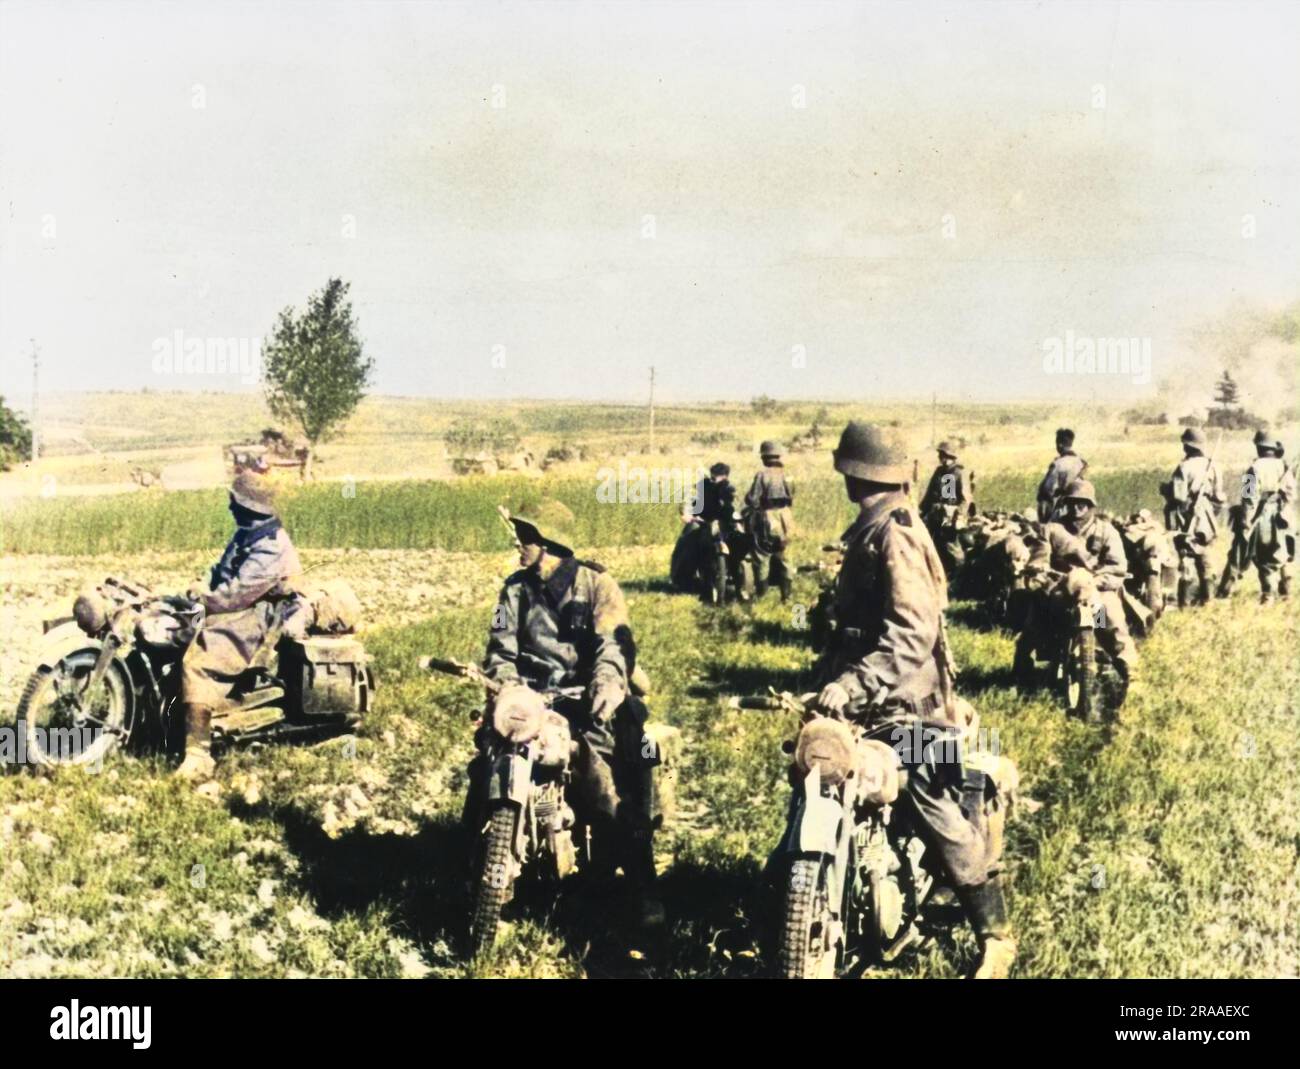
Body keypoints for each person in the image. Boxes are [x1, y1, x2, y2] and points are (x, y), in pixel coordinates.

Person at [812, 420, 1015, 979]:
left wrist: (854, 683)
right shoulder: (876, 525)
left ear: (856, 474)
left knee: (927, 794)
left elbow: (911, 632)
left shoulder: (895, 532)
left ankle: (993, 933)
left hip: (912, 710)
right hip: (876, 699)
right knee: (814, 772)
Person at [481, 502, 662, 923]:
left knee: (606, 788)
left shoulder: (598, 584)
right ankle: (479, 858)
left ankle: (642, 884)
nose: (519, 544)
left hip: (582, 702)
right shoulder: (512, 591)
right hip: (528, 701)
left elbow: (613, 645)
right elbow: (498, 647)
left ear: (550, 543)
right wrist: (506, 684)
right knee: (484, 761)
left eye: (527, 536)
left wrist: (607, 683)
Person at [177, 462, 303, 780]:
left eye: (235, 500)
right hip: (240, 607)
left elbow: (236, 595)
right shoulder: (248, 533)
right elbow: (220, 570)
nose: (230, 505)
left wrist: (203, 598)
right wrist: (201, 583)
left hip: (260, 618)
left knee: (198, 663)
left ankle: (198, 755)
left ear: (248, 506)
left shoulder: (271, 546)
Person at [1020, 479, 1138, 700]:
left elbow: (1118, 567)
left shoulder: (1106, 531)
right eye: (1072, 503)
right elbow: (1040, 557)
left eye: (1082, 504)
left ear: (1092, 506)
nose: (1076, 509)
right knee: (1035, 620)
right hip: (1060, 589)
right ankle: (1023, 668)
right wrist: (1040, 571)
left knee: (1110, 619)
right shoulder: (1053, 529)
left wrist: (1100, 579)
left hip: (1098, 593)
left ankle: (1129, 669)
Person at [1217, 430, 1296, 603]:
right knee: (1277, 555)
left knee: (1239, 554)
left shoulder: (1253, 469)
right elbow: (1291, 496)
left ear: (1259, 447)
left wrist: (1245, 522)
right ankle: (1281, 594)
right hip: (1281, 516)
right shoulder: (1283, 467)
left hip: (1259, 517)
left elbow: (1249, 499)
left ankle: (1225, 593)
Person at [1160, 426, 1224, 607]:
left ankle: (1185, 603)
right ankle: (1209, 598)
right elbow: (1220, 497)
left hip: (1187, 516)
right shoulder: (1214, 466)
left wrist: (1165, 490)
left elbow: (1178, 497)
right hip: (1207, 517)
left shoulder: (1184, 467)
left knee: (1187, 556)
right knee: (1206, 556)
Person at [744, 440, 795, 600]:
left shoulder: (762, 475)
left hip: (768, 515)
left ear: (765, 458)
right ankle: (786, 596)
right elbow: (792, 495)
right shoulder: (788, 475)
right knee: (786, 554)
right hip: (786, 515)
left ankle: (762, 595)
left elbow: (752, 499)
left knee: (762, 554)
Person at [919, 440, 975, 577]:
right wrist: (922, 511)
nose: (940, 458)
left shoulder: (958, 473)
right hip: (936, 515)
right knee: (935, 545)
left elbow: (965, 499)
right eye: (940, 455)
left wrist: (959, 517)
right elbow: (930, 493)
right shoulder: (940, 472)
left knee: (952, 547)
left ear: (950, 456)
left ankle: (960, 576)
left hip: (950, 517)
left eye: (943, 455)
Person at [1035, 428, 1087, 522]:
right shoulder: (1080, 462)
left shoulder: (1058, 464)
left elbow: (1047, 488)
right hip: (1079, 505)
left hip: (1062, 507)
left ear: (1060, 444)